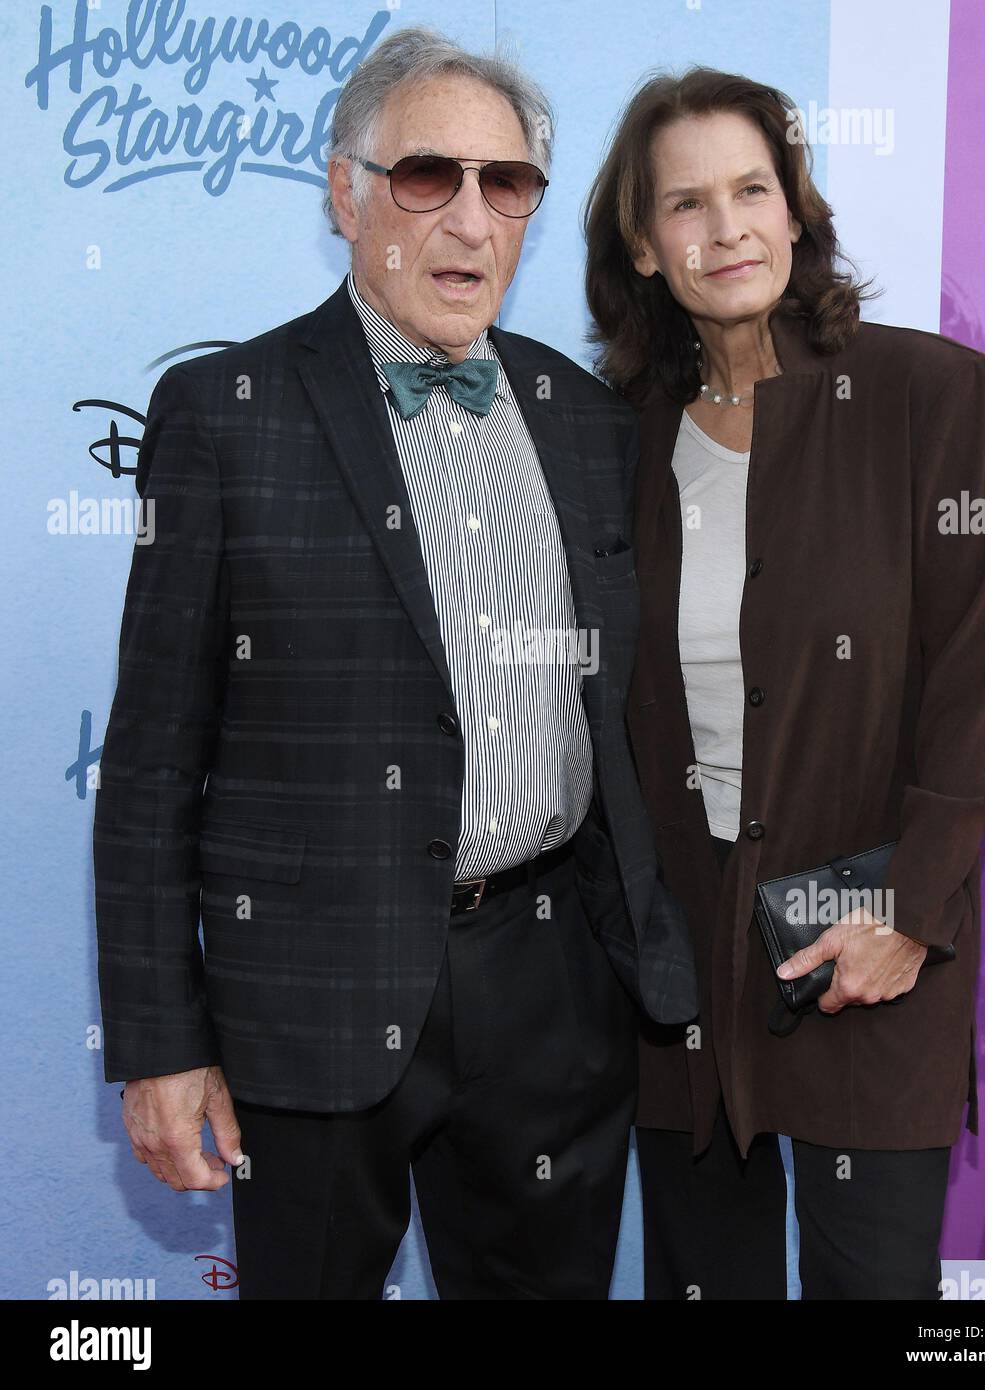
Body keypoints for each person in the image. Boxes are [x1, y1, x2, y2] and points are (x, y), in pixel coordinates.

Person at [93, 26, 696, 1301]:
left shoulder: (584, 422)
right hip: (312, 993)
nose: (471, 220)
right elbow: (149, 759)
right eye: (428, 176)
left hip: (550, 991)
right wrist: (159, 1045)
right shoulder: (224, 414)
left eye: (507, 183)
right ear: (344, 190)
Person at [584, 67, 985, 1299]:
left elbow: (976, 687)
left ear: (795, 209)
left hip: (868, 937)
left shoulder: (927, 395)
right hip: (680, 951)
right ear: (641, 240)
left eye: (751, 190)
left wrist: (908, 913)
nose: (724, 228)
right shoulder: (616, 433)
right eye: (684, 203)